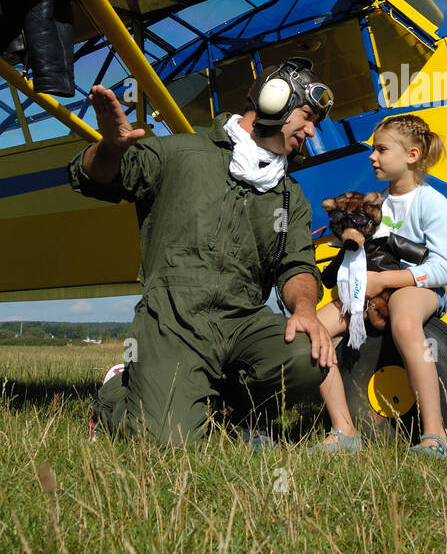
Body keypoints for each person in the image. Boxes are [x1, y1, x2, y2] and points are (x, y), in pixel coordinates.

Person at [67, 60, 338, 446]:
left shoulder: (288, 194)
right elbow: (92, 177)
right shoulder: (182, 153)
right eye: (308, 117)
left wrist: (307, 311)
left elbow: (297, 264)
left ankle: (236, 416)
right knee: (167, 441)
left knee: (308, 356)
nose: (311, 132)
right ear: (274, 101)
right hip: (174, 317)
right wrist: (109, 149)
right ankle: (115, 393)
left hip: (241, 319)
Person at [312, 114, 447, 457]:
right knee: (313, 330)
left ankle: (435, 436)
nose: (371, 156)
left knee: (404, 320)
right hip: (369, 291)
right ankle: (344, 430)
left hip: (416, 288)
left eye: (380, 149)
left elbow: (440, 268)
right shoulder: (374, 204)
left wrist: (382, 280)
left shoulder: (431, 201)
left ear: (412, 155)